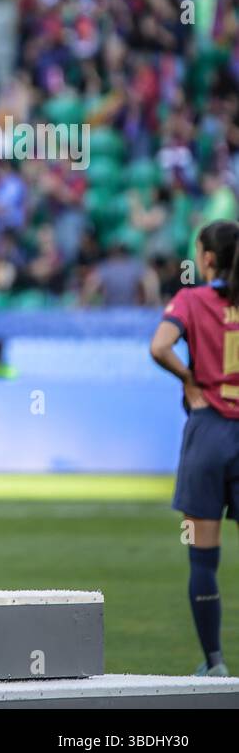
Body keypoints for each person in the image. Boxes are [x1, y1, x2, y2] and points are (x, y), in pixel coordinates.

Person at [150, 220, 239, 677]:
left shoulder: (191, 298)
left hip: (209, 432)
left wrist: (190, 381)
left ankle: (215, 663)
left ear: (206, 258)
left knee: (203, 555)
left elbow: (160, 346)